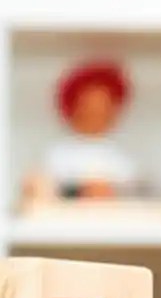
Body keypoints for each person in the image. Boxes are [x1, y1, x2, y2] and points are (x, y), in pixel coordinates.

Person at [27, 62, 141, 203]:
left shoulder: (122, 159)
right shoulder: (58, 155)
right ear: (72, 109)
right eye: (88, 108)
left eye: (104, 110)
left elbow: (133, 194)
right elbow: (44, 192)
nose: (95, 115)